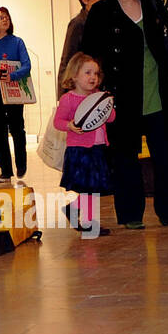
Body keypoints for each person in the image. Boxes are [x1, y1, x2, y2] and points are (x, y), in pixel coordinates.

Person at [81, 0, 168, 228]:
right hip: (122, 95)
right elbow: (89, 54)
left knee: (163, 156)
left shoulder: (151, 4)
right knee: (125, 158)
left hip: (157, 92)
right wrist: (92, 89)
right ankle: (130, 215)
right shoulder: (102, 12)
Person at [55, 53, 114, 237]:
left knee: (93, 188)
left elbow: (110, 118)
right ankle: (88, 222)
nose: (93, 77)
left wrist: (108, 104)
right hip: (79, 150)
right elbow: (58, 121)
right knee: (88, 188)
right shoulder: (68, 99)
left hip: (97, 148)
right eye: (87, 72)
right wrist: (70, 125)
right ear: (74, 76)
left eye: (96, 73)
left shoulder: (98, 96)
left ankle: (79, 214)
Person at [0, 6, 31, 184]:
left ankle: (21, 163)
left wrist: (12, 75)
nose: (4, 20)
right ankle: (6, 170)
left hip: (14, 94)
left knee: (17, 130)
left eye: (6, 17)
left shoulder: (17, 42)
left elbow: (26, 66)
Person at [59, 0, 105, 92]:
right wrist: (63, 91)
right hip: (81, 86)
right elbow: (67, 58)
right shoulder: (78, 24)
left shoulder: (103, 20)